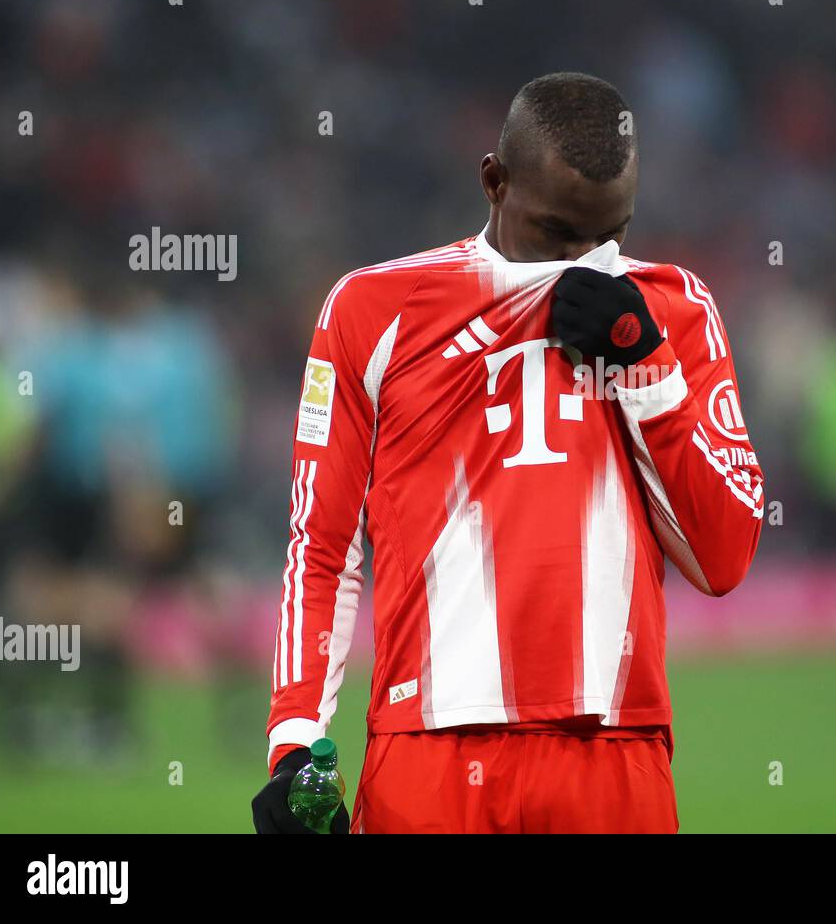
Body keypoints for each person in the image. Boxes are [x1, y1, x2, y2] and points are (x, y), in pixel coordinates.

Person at [252, 72, 764, 833]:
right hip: (429, 753)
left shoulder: (673, 310)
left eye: (610, 234)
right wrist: (295, 739)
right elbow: (321, 547)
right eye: (559, 232)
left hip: (613, 750)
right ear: (493, 181)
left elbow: (721, 559)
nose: (587, 262)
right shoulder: (371, 309)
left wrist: (646, 367)